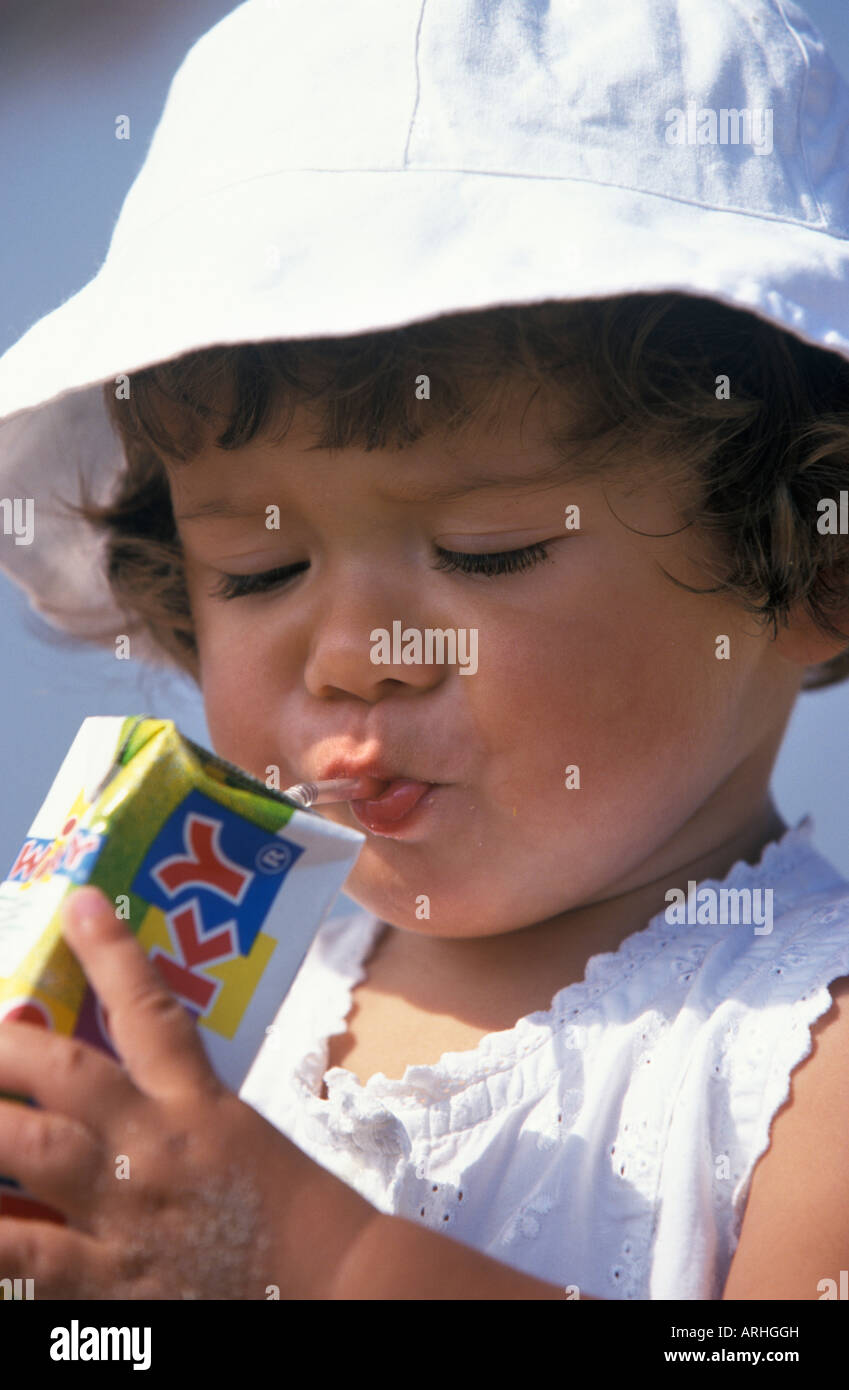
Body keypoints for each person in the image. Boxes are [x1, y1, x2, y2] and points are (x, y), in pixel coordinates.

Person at [0, 0, 848, 1301]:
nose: (354, 655)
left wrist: (312, 1258)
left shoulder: (806, 1063)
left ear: (804, 561)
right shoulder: (197, 980)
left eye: (487, 548)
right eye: (260, 569)